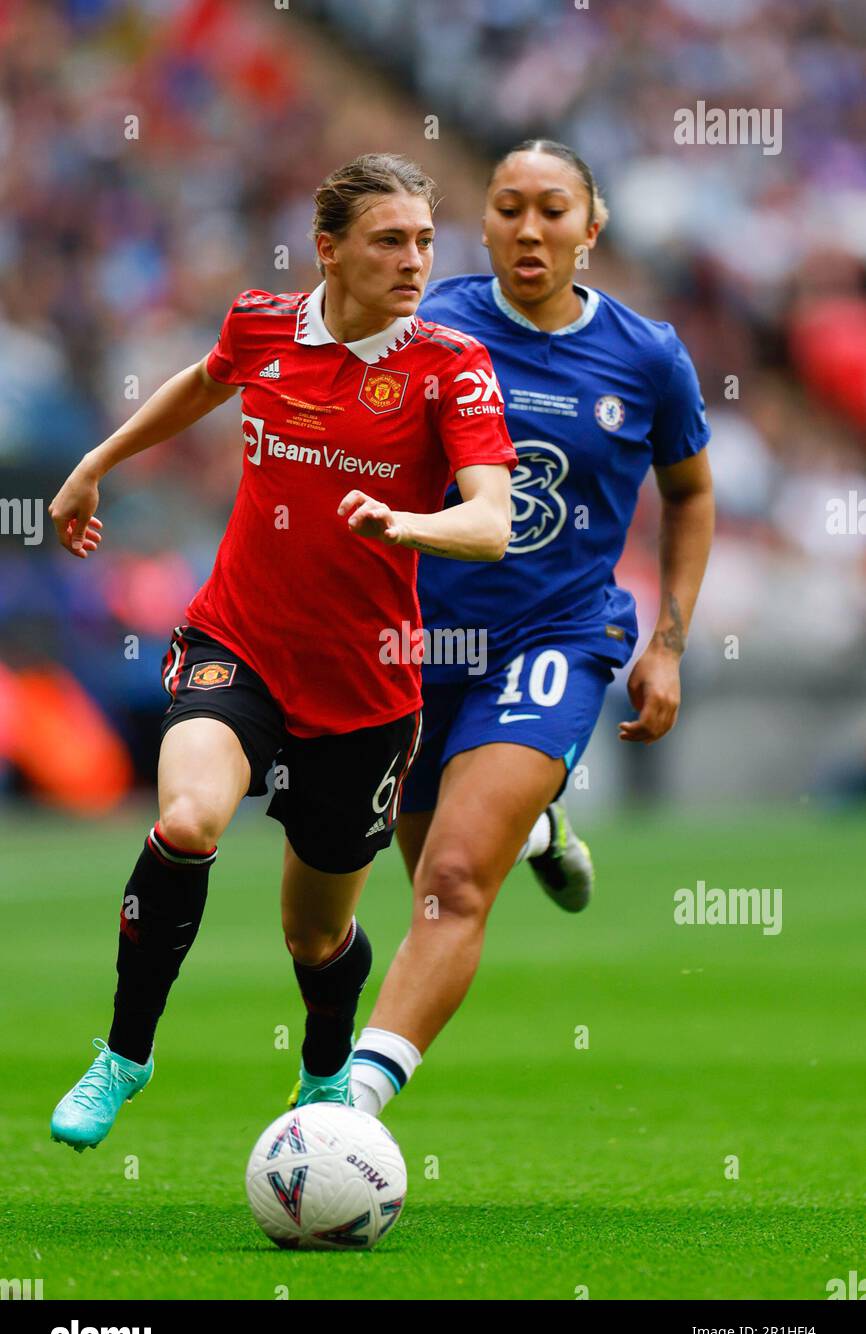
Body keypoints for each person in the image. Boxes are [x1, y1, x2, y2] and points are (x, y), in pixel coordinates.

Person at [47, 153, 516, 1151]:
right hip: (239, 641)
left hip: (363, 686)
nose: (415, 260)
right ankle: (125, 1055)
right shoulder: (263, 321)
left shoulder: (448, 366)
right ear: (330, 248)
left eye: (426, 240)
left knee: (313, 933)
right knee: (185, 819)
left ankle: (321, 1069)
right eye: (391, 239)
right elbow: (204, 381)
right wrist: (98, 462)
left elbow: (490, 523)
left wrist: (404, 524)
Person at [349, 139, 715, 1117]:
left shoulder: (645, 357)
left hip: (556, 636)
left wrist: (667, 644)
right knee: (424, 867)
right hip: (416, 643)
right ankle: (538, 826)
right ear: (485, 223)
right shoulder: (428, 321)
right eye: (507, 206)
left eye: (551, 209)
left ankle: (351, 1105)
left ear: (588, 230)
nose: (527, 226)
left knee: (457, 876)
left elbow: (689, 493)